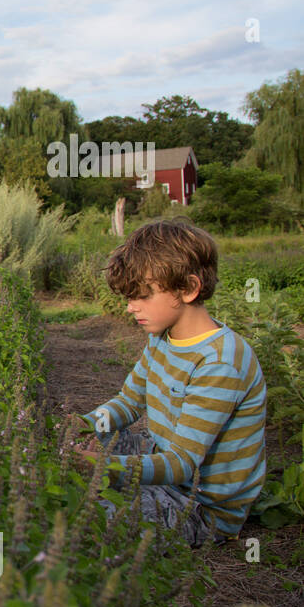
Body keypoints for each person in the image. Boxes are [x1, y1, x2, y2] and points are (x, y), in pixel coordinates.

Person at [70, 219, 267, 547]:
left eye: (142, 296)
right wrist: (82, 425)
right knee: (60, 450)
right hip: (159, 454)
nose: (130, 306)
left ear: (188, 288)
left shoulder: (220, 362)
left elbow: (180, 465)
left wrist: (103, 466)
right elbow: (130, 402)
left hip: (197, 504)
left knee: (85, 523)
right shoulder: (162, 338)